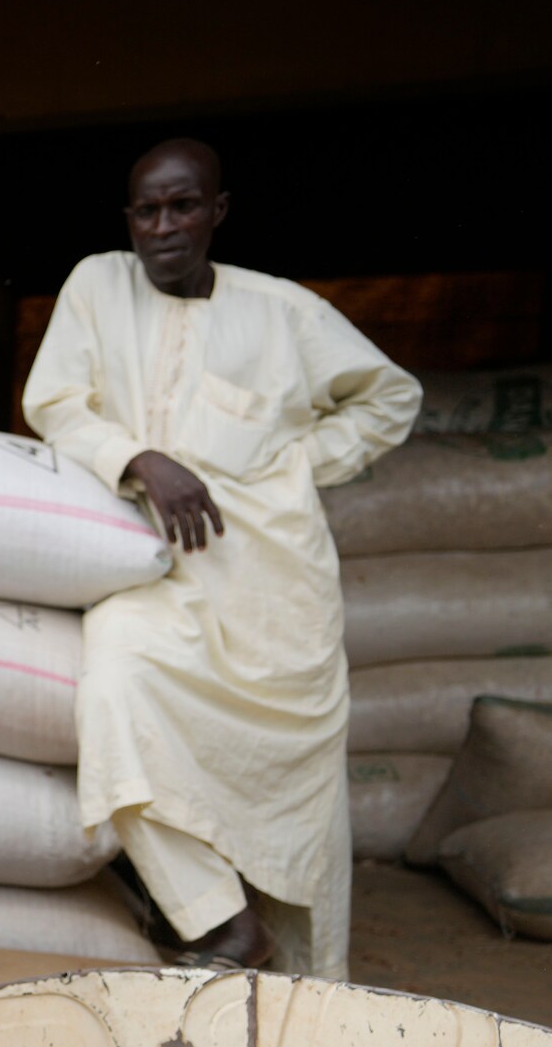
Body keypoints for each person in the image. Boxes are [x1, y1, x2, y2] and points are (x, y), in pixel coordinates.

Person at [22, 140, 420, 974]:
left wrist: (302, 464)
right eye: (146, 211)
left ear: (219, 211)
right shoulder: (97, 285)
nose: (163, 228)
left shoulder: (282, 312)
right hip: (147, 570)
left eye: (183, 207)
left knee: (289, 791)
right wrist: (139, 458)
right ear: (127, 218)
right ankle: (219, 920)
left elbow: (392, 395)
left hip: (276, 586)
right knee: (116, 692)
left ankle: (298, 993)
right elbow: (54, 400)